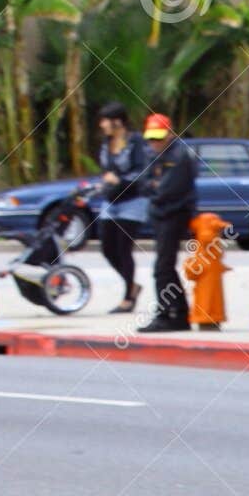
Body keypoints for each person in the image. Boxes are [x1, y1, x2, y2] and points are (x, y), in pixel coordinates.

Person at [137, 114, 195, 332]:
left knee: (162, 267)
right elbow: (142, 184)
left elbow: (165, 190)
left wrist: (154, 185)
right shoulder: (152, 155)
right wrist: (154, 185)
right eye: (151, 138)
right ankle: (177, 312)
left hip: (174, 215)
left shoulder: (179, 156)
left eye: (159, 138)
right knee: (164, 266)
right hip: (160, 216)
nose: (155, 143)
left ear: (170, 134)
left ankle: (169, 313)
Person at [95, 102, 147, 313]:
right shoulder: (106, 145)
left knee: (124, 249)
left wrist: (120, 180)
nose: (102, 125)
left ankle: (128, 297)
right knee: (107, 249)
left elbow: (141, 171)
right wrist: (105, 182)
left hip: (132, 201)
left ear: (118, 121)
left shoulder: (135, 143)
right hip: (111, 200)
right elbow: (106, 170)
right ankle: (133, 285)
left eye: (105, 120)